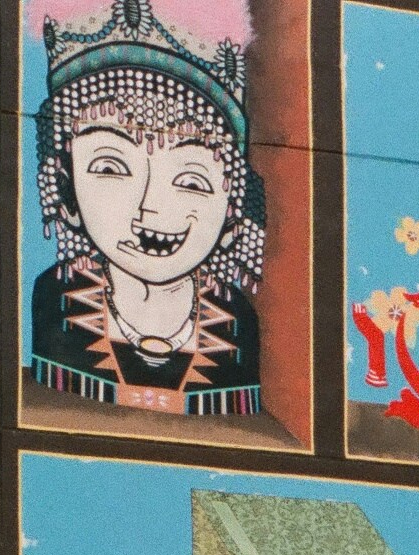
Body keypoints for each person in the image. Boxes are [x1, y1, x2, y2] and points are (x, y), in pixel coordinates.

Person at [30, 0, 268, 416]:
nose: (150, 211)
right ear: (65, 186)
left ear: (234, 207)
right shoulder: (58, 299)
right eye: (111, 167)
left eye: (190, 180)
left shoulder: (236, 322)